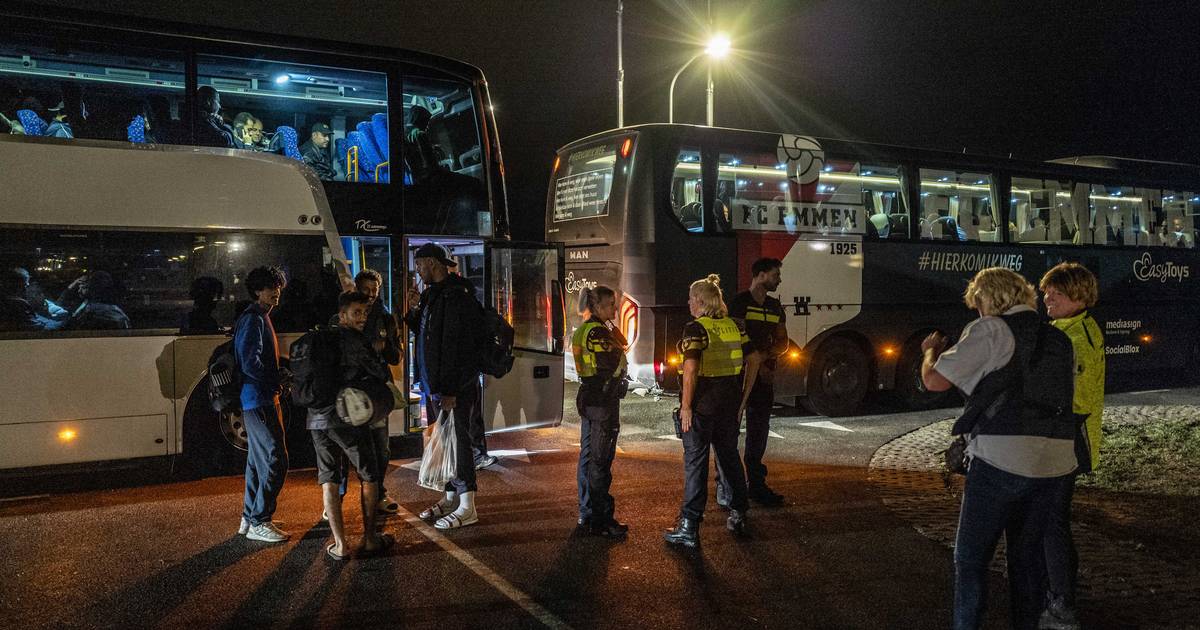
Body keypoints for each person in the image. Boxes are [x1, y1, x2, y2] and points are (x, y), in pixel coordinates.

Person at [920, 267, 1079, 630]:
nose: (977, 311)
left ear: (989, 299)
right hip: (1055, 464)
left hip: (1000, 460)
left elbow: (934, 381)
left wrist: (929, 353)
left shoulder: (991, 328)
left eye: (978, 304)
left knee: (971, 560)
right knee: (1026, 560)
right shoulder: (1058, 340)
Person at [1037, 263, 1105, 630]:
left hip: (1065, 444)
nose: (1046, 298)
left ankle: (1061, 603)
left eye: (1056, 293)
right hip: (1063, 442)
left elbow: (1077, 402)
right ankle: (1058, 593)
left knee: (1052, 524)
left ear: (1077, 297)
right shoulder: (1070, 330)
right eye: (1046, 291)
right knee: (1052, 522)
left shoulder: (1074, 340)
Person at [664, 274, 753, 548]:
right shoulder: (736, 326)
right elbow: (754, 361)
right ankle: (739, 512)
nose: (689, 303)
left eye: (691, 298)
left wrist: (686, 406)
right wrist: (743, 400)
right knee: (729, 458)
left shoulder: (695, 329)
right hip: (729, 400)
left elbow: (690, 370)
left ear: (700, 301)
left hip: (703, 403)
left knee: (696, 463)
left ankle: (689, 527)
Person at [307, 291, 396, 560]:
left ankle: (340, 545)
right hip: (346, 415)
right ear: (342, 315)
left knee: (329, 478)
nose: (362, 318)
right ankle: (369, 540)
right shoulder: (353, 340)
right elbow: (379, 372)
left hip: (316, 418)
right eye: (356, 313)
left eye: (365, 313)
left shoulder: (319, 338)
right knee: (369, 474)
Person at [406, 243, 485, 530]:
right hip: (436, 386)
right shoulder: (432, 295)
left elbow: (457, 348)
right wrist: (414, 308)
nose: (417, 270)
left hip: (454, 387)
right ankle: (450, 496)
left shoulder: (457, 296)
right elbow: (426, 334)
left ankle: (468, 505)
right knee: (447, 440)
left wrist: (450, 389)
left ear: (434, 263)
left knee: (459, 442)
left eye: (420, 264)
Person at [718, 257, 789, 508]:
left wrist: (766, 358)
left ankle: (756, 486)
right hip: (739, 378)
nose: (779, 279)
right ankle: (725, 486)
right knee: (729, 432)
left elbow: (783, 342)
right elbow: (735, 336)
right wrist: (753, 362)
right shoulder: (738, 303)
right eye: (775, 274)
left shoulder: (774, 307)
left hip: (765, 378)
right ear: (760, 275)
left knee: (758, 433)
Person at [234, 265, 290, 543]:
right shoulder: (254, 319)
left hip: (256, 398)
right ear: (258, 290)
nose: (276, 292)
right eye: (270, 287)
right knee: (275, 458)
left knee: (257, 462)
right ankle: (260, 520)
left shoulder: (257, 317)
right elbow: (249, 361)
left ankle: (250, 518)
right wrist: (274, 379)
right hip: (259, 398)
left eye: (278, 286)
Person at [572, 285, 630, 539]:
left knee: (588, 457)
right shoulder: (597, 333)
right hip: (603, 401)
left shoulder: (586, 329)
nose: (615, 310)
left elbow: (622, 342)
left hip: (590, 398)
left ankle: (587, 512)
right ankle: (601, 520)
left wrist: (609, 324)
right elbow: (616, 357)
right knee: (600, 461)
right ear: (597, 306)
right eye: (611, 305)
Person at [352, 269, 402, 515]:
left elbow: (396, 356)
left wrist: (385, 347)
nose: (371, 295)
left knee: (381, 448)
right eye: (366, 290)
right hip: (352, 391)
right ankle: (338, 499)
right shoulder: (348, 315)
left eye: (375, 291)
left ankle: (379, 493)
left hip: (377, 392)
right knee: (351, 447)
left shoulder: (385, 318)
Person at [62, 271, 131, 330]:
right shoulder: (83, 304)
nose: (79, 290)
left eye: (84, 287)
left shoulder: (96, 310)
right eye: (79, 286)